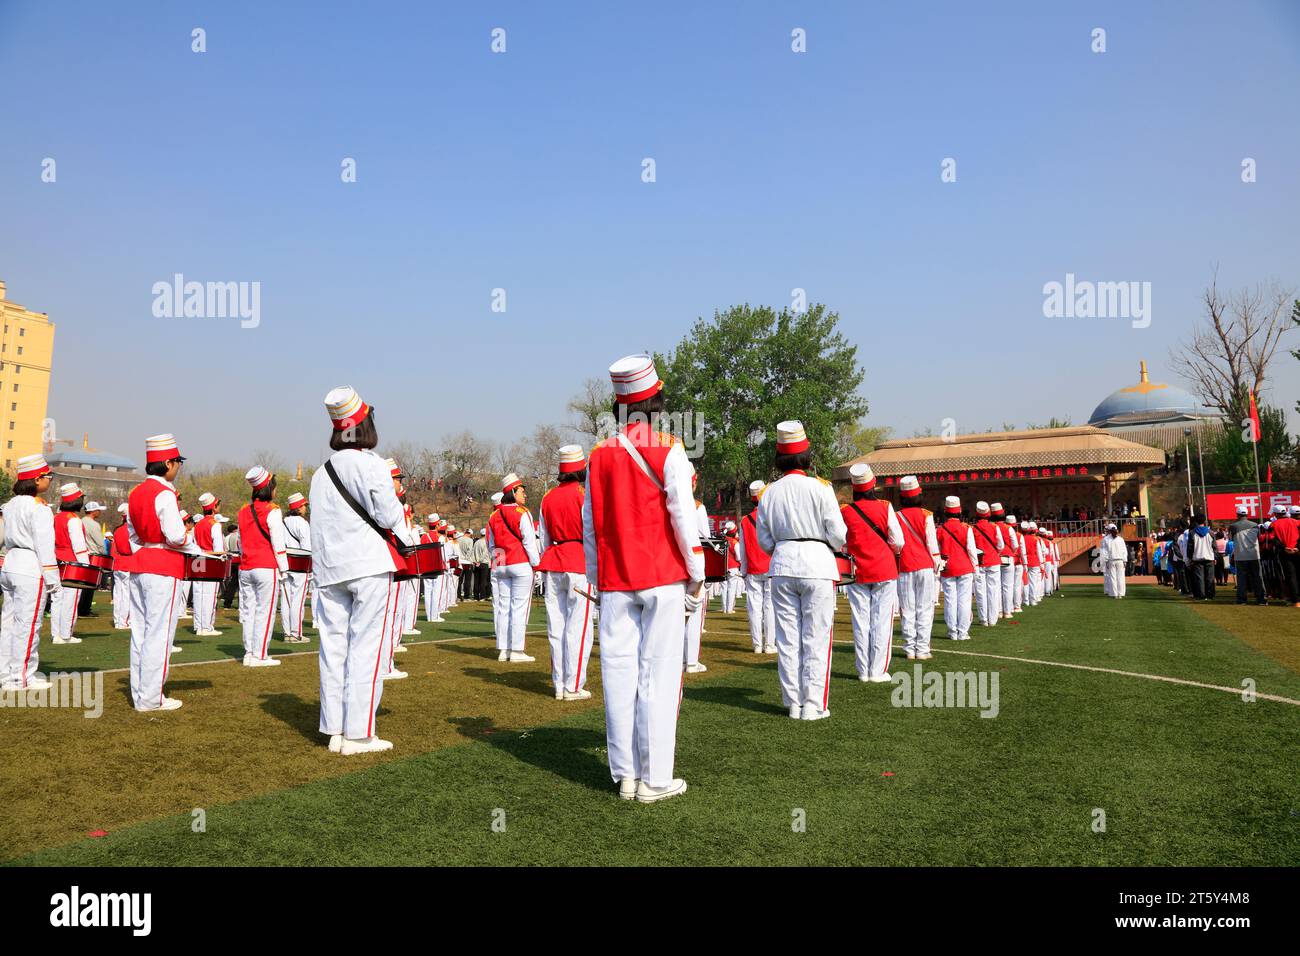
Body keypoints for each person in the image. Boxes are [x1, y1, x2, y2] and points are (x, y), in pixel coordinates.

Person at [582, 353, 703, 802]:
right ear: (655, 401)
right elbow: (682, 517)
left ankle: (625, 775)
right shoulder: (669, 448)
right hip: (661, 576)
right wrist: (696, 574)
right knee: (659, 672)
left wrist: (597, 576)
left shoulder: (597, 457)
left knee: (617, 673)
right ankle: (654, 779)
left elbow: (590, 526)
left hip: (615, 580)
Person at [310, 385, 409, 754]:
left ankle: (334, 729)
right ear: (364, 424)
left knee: (333, 649)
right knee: (366, 648)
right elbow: (389, 515)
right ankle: (359, 733)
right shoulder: (372, 465)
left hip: (331, 570)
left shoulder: (320, 473)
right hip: (367, 564)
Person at [756, 420, 848, 721]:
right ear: (807, 456)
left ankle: (793, 702)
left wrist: (783, 548)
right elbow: (838, 533)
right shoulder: (821, 488)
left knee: (788, 638)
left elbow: (764, 539)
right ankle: (813, 704)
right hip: (817, 563)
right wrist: (827, 545)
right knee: (816, 636)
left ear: (779, 457)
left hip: (782, 563)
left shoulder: (769, 493)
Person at [126, 434, 192, 711]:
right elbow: (176, 536)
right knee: (159, 633)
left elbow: (132, 534)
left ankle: (141, 693)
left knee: (140, 632)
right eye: (177, 462)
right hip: (163, 564)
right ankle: (152, 697)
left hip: (141, 561)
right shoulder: (165, 493)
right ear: (167, 463)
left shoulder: (136, 492)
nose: (178, 467)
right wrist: (190, 539)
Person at [538, 444, 595, 700]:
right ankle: (573, 685)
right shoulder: (585, 494)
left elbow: (544, 537)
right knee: (579, 627)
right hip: (579, 561)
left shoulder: (548, 497)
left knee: (556, 627)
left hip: (553, 561)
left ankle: (559, 684)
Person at [1, 454, 61, 691]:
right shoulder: (39, 508)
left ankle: (6, 673)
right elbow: (45, 545)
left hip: (10, 561)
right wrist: (54, 580)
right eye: (48, 476)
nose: (50, 480)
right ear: (37, 480)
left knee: (9, 623)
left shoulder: (10, 504)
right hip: (29, 564)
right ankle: (22, 677)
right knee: (28, 624)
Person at [839, 463, 902, 683]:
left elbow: (839, 541)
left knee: (860, 621)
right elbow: (898, 541)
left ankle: (863, 670)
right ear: (873, 484)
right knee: (882, 621)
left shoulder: (845, 511)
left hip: (857, 571)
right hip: (884, 569)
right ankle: (877, 671)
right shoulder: (885, 507)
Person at [237, 465, 289, 666]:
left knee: (248, 611)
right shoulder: (273, 511)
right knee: (264, 611)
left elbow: (241, 542)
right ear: (268, 488)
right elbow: (278, 543)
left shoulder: (243, 511)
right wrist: (284, 568)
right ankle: (260, 655)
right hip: (266, 566)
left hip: (246, 566)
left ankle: (249, 652)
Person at [487, 472, 540, 662]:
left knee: (504, 607)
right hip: (520, 564)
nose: (524, 494)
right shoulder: (522, 512)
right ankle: (517, 650)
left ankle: (503, 649)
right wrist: (537, 564)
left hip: (502, 565)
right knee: (519, 608)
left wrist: (499, 565)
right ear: (513, 491)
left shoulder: (494, 516)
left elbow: (492, 545)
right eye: (521, 491)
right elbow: (529, 542)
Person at [894, 475, 940, 660]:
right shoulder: (926, 515)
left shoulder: (896, 516)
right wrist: (937, 564)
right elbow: (932, 544)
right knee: (924, 609)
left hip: (904, 566)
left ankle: (909, 649)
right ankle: (922, 649)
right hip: (924, 566)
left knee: (907, 609)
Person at [50, 482, 90, 645]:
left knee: (57, 599)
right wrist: (86, 566)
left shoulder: (55, 517)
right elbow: (79, 546)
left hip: (56, 560)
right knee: (71, 599)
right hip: (72, 562)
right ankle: (66, 634)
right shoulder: (74, 520)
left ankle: (56, 634)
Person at [738, 479, 775, 654]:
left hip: (752, 569)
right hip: (770, 567)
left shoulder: (745, 521)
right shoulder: (772, 515)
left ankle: (757, 644)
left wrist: (743, 571)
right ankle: (769, 644)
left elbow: (743, 550)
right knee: (769, 607)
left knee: (754, 608)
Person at [935, 496, 978, 641]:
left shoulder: (940, 530)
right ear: (959, 511)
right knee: (964, 601)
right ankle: (963, 632)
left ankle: (952, 631)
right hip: (965, 567)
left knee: (950, 600)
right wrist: (976, 567)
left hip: (948, 568)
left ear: (945, 511)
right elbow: (971, 550)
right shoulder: (966, 528)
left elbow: (937, 550)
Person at [684, 472, 711, 674]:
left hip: (673, 564)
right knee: (693, 613)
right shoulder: (697, 506)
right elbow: (705, 539)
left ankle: (678, 659)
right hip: (693, 562)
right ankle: (691, 661)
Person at [190, 492, 225, 637]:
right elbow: (218, 549)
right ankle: (207, 627)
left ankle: (198, 626)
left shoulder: (196, 526)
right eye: (217, 504)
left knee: (198, 594)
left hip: (198, 560)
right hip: (211, 561)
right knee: (210, 595)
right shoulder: (214, 524)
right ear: (213, 507)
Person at [280, 492, 311, 643]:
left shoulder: (282, 521)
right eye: (304, 505)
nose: (305, 508)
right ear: (299, 507)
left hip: (284, 562)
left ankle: (287, 633)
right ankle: (296, 633)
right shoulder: (302, 523)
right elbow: (307, 547)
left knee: (286, 599)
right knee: (298, 599)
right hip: (299, 562)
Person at [969, 501, 1004, 627]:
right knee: (993, 590)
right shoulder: (995, 527)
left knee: (980, 591)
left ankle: (983, 619)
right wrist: (995, 553)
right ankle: (993, 619)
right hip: (993, 560)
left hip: (980, 562)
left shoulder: (972, 528)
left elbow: (971, 547)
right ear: (988, 513)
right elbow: (1000, 545)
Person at [77, 500, 107, 618]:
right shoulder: (94, 524)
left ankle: (80, 608)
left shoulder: (80, 521)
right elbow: (100, 542)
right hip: (94, 556)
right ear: (93, 511)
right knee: (90, 585)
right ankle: (85, 609)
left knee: (82, 584)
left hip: (82, 554)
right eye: (98, 510)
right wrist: (104, 554)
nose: (99, 512)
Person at [110, 503, 135, 630]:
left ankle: (118, 620)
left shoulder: (117, 530)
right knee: (127, 594)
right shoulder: (131, 530)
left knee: (118, 594)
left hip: (118, 563)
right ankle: (125, 621)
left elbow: (113, 550)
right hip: (128, 563)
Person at [1270, 505, 1300, 606]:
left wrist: (1284, 548)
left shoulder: (1273, 524)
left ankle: (1295, 601)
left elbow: (1272, 539)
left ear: (1275, 514)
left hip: (1285, 553)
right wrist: (1297, 548)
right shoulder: (1296, 522)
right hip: (1297, 551)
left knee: (1290, 576)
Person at [992, 506, 1019, 618]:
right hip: (1008, 557)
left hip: (995, 558)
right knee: (1008, 586)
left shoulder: (992, 527)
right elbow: (1015, 545)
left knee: (996, 586)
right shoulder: (1009, 528)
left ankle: (998, 611)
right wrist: (1010, 551)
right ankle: (1007, 611)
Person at [1182, 514, 1216, 601]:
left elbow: (1190, 547)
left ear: (1196, 522)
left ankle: (1201, 595)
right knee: (1210, 577)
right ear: (1204, 521)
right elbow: (1214, 547)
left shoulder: (1192, 533)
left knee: (1199, 578)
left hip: (1197, 558)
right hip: (1209, 557)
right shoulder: (1211, 533)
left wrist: (1189, 558)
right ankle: (1210, 595)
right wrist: (1215, 557)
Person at [1101, 523, 1127, 598]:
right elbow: (1124, 551)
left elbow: (1105, 552)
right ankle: (1119, 594)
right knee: (1119, 577)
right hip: (1116, 560)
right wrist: (1125, 560)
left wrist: (1106, 561)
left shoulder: (1106, 539)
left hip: (1113, 560)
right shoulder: (1120, 539)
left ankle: (1115, 594)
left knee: (1114, 577)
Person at [721, 521, 741, 613]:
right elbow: (739, 557)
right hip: (732, 567)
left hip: (722, 566)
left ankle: (724, 608)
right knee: (731, 588)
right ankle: (729, 609)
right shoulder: (734, 542)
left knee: (724, 588)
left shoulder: (721, 540)